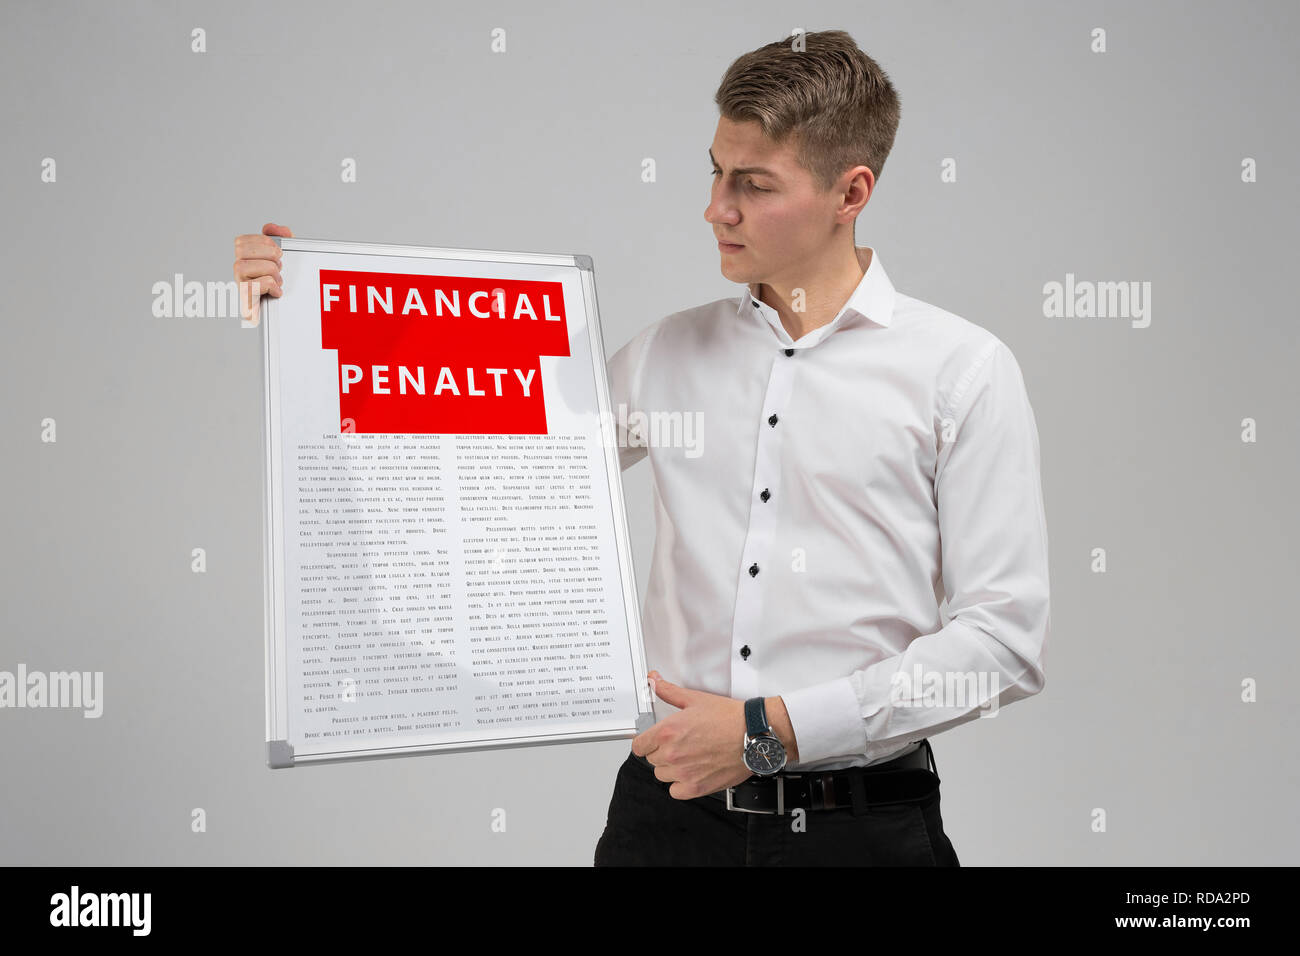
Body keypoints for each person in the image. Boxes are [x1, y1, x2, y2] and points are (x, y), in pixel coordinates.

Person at [233, 29, 1050, 868]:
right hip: (666, 827)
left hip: (862, 834)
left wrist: (770, 733)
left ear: (851, 192)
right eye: (714, 171)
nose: (714, 208)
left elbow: (1002, 643)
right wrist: (307, 310)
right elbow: (469, 465)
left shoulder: (961, 371)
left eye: (753, 184)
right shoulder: (664, 353)